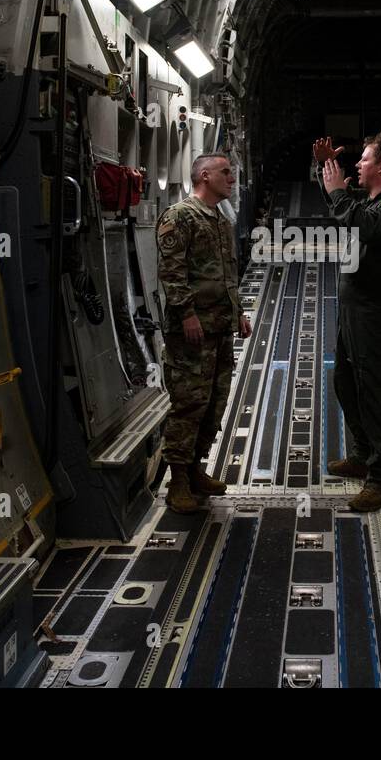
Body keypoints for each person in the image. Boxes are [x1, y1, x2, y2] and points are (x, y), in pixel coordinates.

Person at [311, 132, 381, 511]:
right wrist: (325, 168)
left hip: (376, 315)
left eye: (365, 159)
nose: (358, 164)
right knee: (347, 381)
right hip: (354, 311)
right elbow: (340, 206)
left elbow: (363, 225)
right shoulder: (368, 201)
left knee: (376, 392)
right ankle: (364, 453)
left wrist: (340, 191)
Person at [156, 153, 252, 514]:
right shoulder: (180, 217)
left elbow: (228, 275)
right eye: (226, 172)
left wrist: (238, 312)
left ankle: (196, 468)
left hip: (219, 329)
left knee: (214, 402)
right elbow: (171, 272)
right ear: (204, 175)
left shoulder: (220, 221)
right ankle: (177, 480)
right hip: (192, 332)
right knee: (189, 403)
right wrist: (187, 315)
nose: (231, 177)